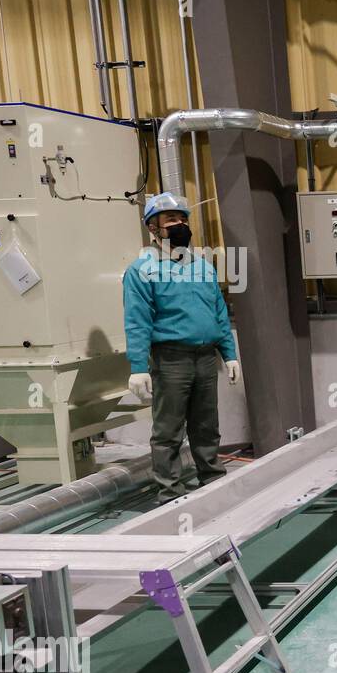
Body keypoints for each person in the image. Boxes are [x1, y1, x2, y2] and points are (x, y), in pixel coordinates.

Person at [123, 192, 241, 503]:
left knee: (206, 426)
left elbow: (218, 312)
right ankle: (170, 493)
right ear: (153, 228)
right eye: (171, 220)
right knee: (168, 431)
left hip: (204, 359)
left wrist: (229, 354)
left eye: (183, 219)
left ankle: (212, 481)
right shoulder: (141, 270)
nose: (180, 224)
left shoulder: (201, 266)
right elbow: (137, 321)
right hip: (171, 360)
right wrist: (137, 368)